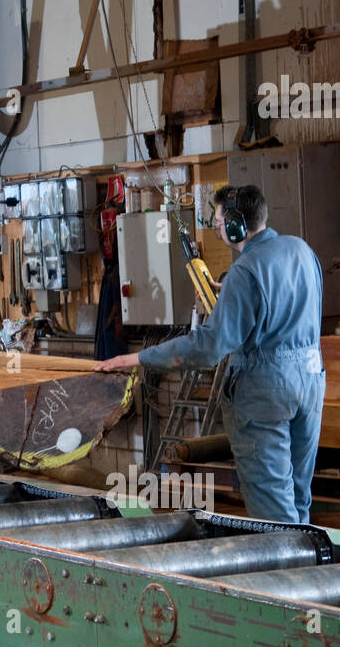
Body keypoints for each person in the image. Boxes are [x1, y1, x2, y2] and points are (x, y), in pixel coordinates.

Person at [93, 185, 326, 524]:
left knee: (274, 511)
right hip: (311, 378)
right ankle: (312, 570)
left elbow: (209, 347)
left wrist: (138, 359)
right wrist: (232, 290)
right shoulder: (301, 249)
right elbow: (284, 297)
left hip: (266, 390)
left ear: (236, 225)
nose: (217, 231)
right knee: (298, 498)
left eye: (218, 223)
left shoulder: (245, 272)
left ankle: (283, 572)